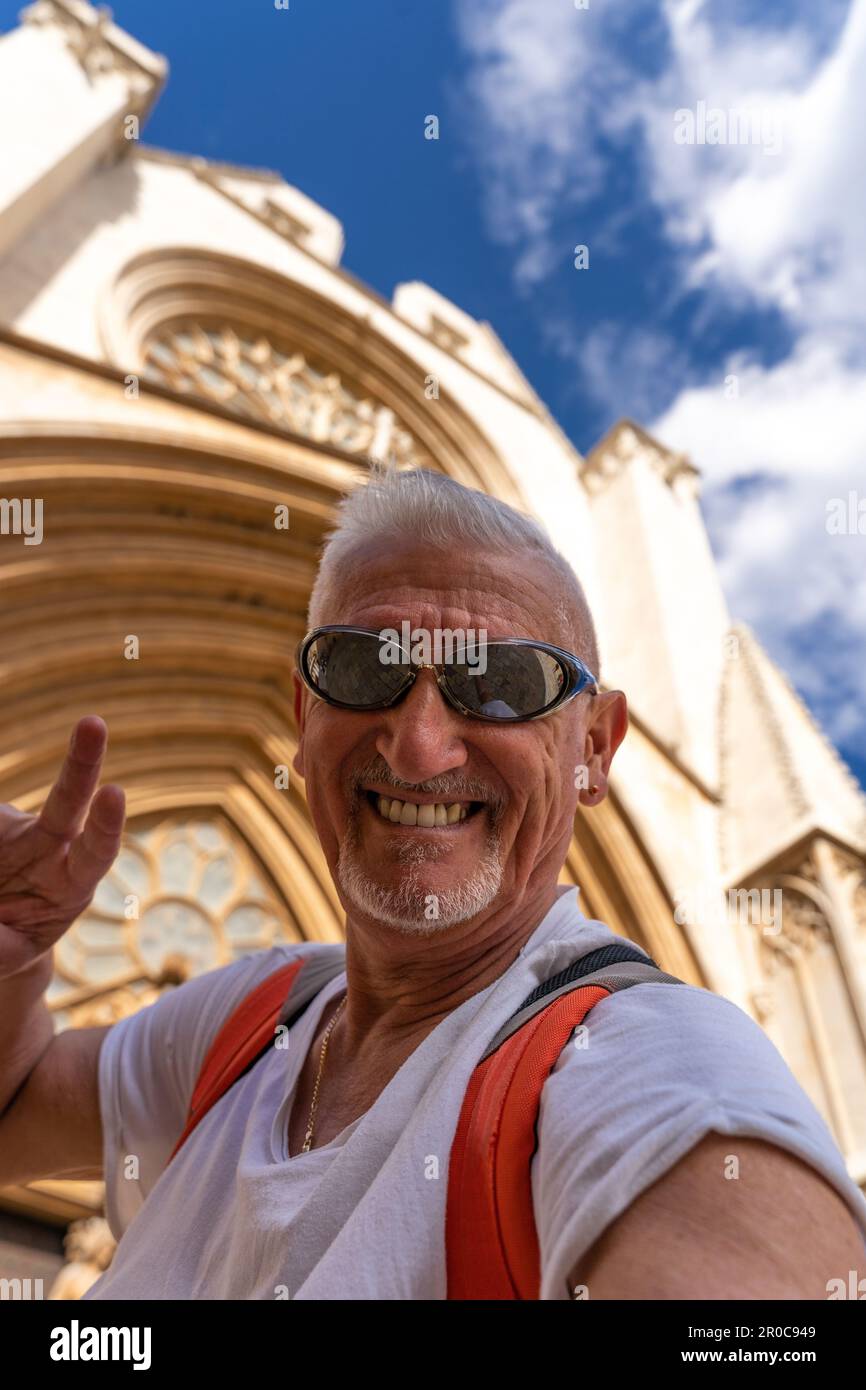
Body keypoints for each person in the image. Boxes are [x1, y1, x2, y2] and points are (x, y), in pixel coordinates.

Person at [1, 467, 864, 1300]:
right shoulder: (247, 1021)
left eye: (502, 684)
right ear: (304, 722)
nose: (418, 747)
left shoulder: (647, 1060)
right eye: (361, 669)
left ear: (594, 750)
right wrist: (11, 955)